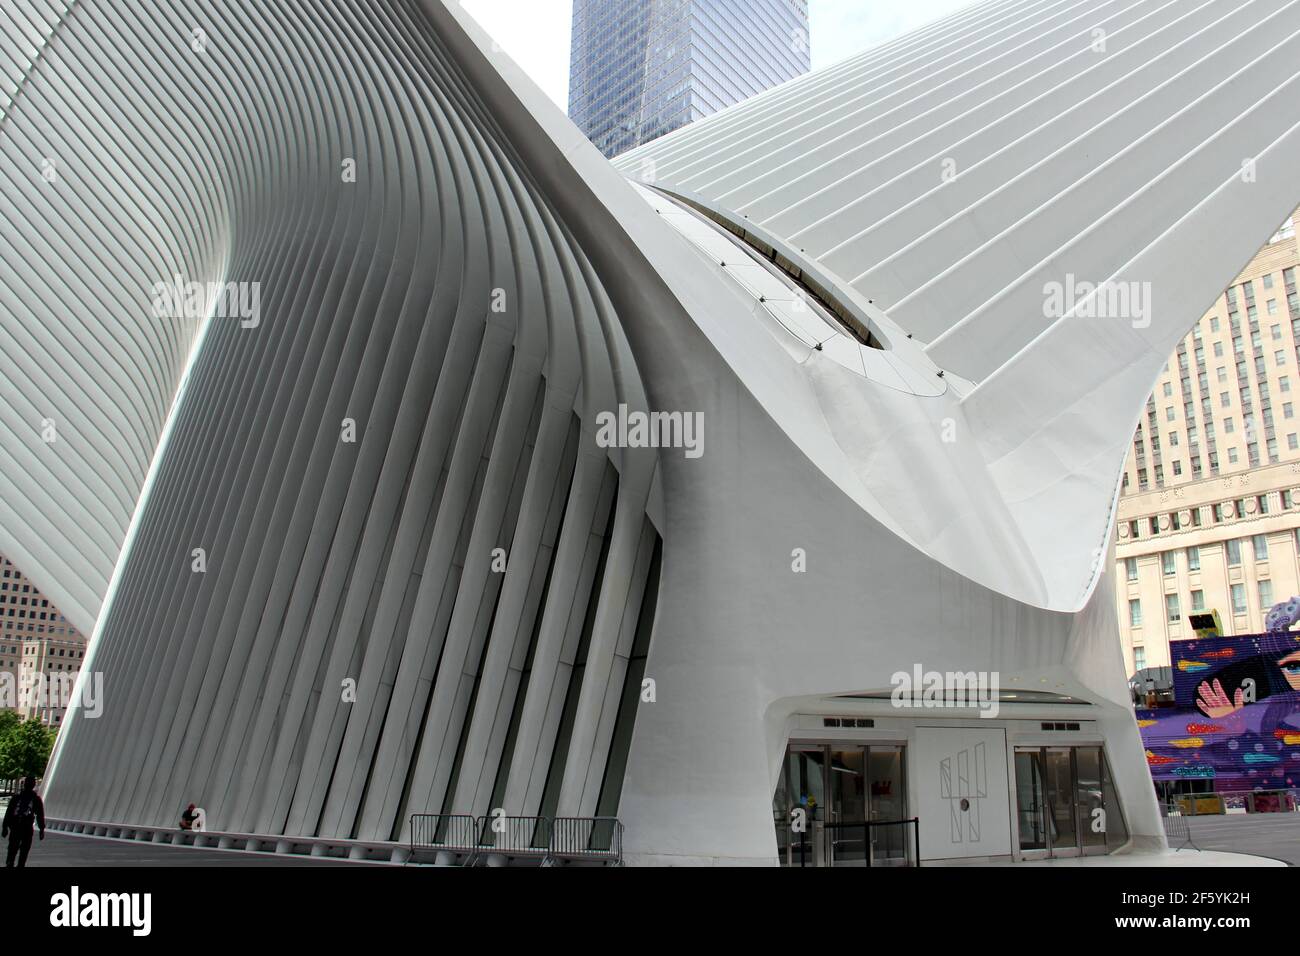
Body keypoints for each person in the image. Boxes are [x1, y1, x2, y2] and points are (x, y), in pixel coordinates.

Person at [2, 776, 46, 867]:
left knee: (15, 849)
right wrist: (41, 829)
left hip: (20, 827)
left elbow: (9, 813)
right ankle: (15, 863)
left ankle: (11, 863)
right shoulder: (34, 799)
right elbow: (40, 815)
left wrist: (5, 827)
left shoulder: (19, 798)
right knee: (20, 850)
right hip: (22, 827)